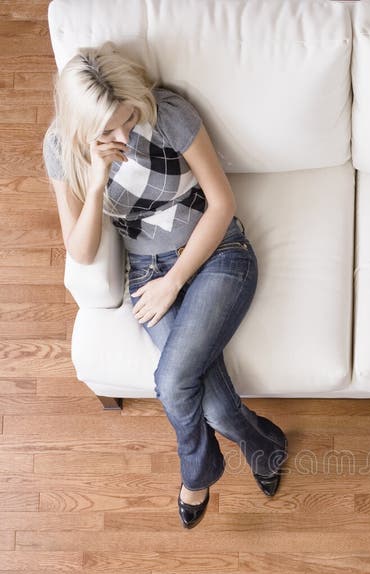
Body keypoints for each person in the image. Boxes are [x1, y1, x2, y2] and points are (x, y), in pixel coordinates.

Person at [44, 43, 287, 529]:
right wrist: (96, 181)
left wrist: (175, 282)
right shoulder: (60, 149)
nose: (123, 135)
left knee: (173, 381)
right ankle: (263, 444)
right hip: (147, 272)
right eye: (107, 129)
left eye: (128, 118)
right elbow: (82, 250)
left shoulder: (169, 113)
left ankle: (197, 473)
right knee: (215, 405)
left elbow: (222, 204)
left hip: (217, 251)